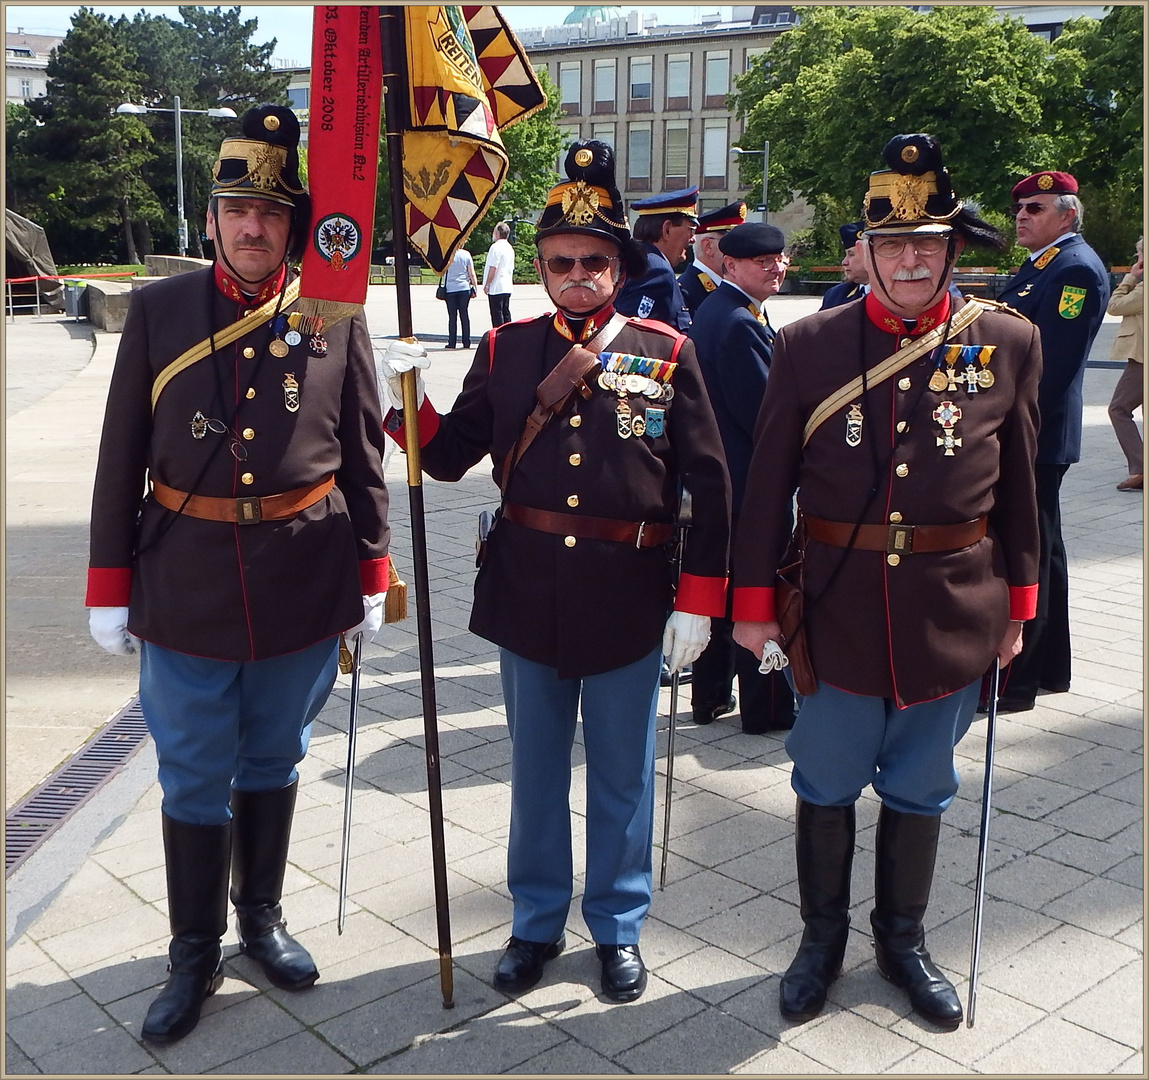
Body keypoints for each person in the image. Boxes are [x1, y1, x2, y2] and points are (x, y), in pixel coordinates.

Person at [376, 140, 730, 1004]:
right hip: (527, 588)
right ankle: (535, 922)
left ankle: (617, 924)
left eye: (593, 263)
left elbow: (712, 482)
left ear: (619, 269)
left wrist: (698, 599)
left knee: (620, 775)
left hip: (628, 591)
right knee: (534, 772)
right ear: (538, 267)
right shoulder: (505, 350)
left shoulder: (664, 349)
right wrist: (404, 399)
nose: (577, 276)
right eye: (562, 262)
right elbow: (448, 459)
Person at [85, 106, 392, 1044]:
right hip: (186, 580)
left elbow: (362, 452)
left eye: (270, 211)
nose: (252, 226)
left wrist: (372, 568)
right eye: (237, 209)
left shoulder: (333, 310)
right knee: (191, 774)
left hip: (303, 574)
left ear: (293, 225)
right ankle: (193, 951)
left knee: (274, 757)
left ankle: (259, 920)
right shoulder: (160, 310)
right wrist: (108, 582)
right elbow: (120, 452)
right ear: (212, 218)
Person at [732, 133, 1042, 1031]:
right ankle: (819, 943)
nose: (911, 260)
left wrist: (1019, 606)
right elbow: (766, 486)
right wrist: (751, 605)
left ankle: (901, 943)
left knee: (921, 783)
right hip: (837, 609)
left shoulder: (1006, 339)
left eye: (928, 243)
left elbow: (1022, 489)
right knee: (826, 779)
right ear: (863, 251)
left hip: (951, 607)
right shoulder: (808, 344)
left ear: (951, 248)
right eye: (893, 243)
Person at [995, 171, 1110, 711]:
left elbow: (1053, 367)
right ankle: (1049, 667)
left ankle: (1019, 681)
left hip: (1035, 432)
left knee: (1030, 551)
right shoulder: (1044, 264)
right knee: (1045, 547)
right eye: (1019, 208)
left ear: (1068, 214)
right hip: (1029, 429)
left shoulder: (1074, 269)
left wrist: (1008, 428)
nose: (1022, 215)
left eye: (1035, 208)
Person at [688, 221, 795, 733]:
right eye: (762, 262)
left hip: (724, 480)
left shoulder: (723, 309)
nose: (776, 268)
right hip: (750, 483)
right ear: (730, 265)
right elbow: (765, 417)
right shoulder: (738, 322)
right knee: (758, 590)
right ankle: (767, 708)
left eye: (780, 259)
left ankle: (710, 696)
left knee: (723, 592)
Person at [615, 186, 698, 330]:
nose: (693, 239)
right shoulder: (656, 272)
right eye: (691, 230)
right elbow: (633, 335)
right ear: (667, 230)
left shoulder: (640, 260)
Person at [1106, 238, 1143, 492]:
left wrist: (1130, 278)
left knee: (1118, 409)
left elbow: (1114, 306)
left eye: (1139, 255)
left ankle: (1140, 468)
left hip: (1142, 359)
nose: (1136, 260)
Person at [677, 201, 747, 317]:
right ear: (708, 246)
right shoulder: (684, 293)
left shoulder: (738, 288)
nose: (742, 250)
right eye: (733, 243)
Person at [820, 221, 869, 309]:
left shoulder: (892, 295)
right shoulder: (835, 296)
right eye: (846, 255)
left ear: (870, 255)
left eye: (851, 254)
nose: (844, 262)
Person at [442, 245, 478, 349]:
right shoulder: (466, 254)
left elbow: (441, 271)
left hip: (450, 289)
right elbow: (471, 273)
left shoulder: (447, 254)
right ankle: (466, 342)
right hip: (464, 288)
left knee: (452, 317)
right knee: (464, 315)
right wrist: (475, 286)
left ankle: (452, 342)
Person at [483, 221, 516, 327]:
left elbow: (493, 268)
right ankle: (509, 334)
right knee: (506, 313)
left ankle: (499, 335)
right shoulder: (509, 248)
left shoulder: (495, 247)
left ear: (497, 233)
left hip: (496, 287)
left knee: (497, 315)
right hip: (507, 285)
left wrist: (487, 284)